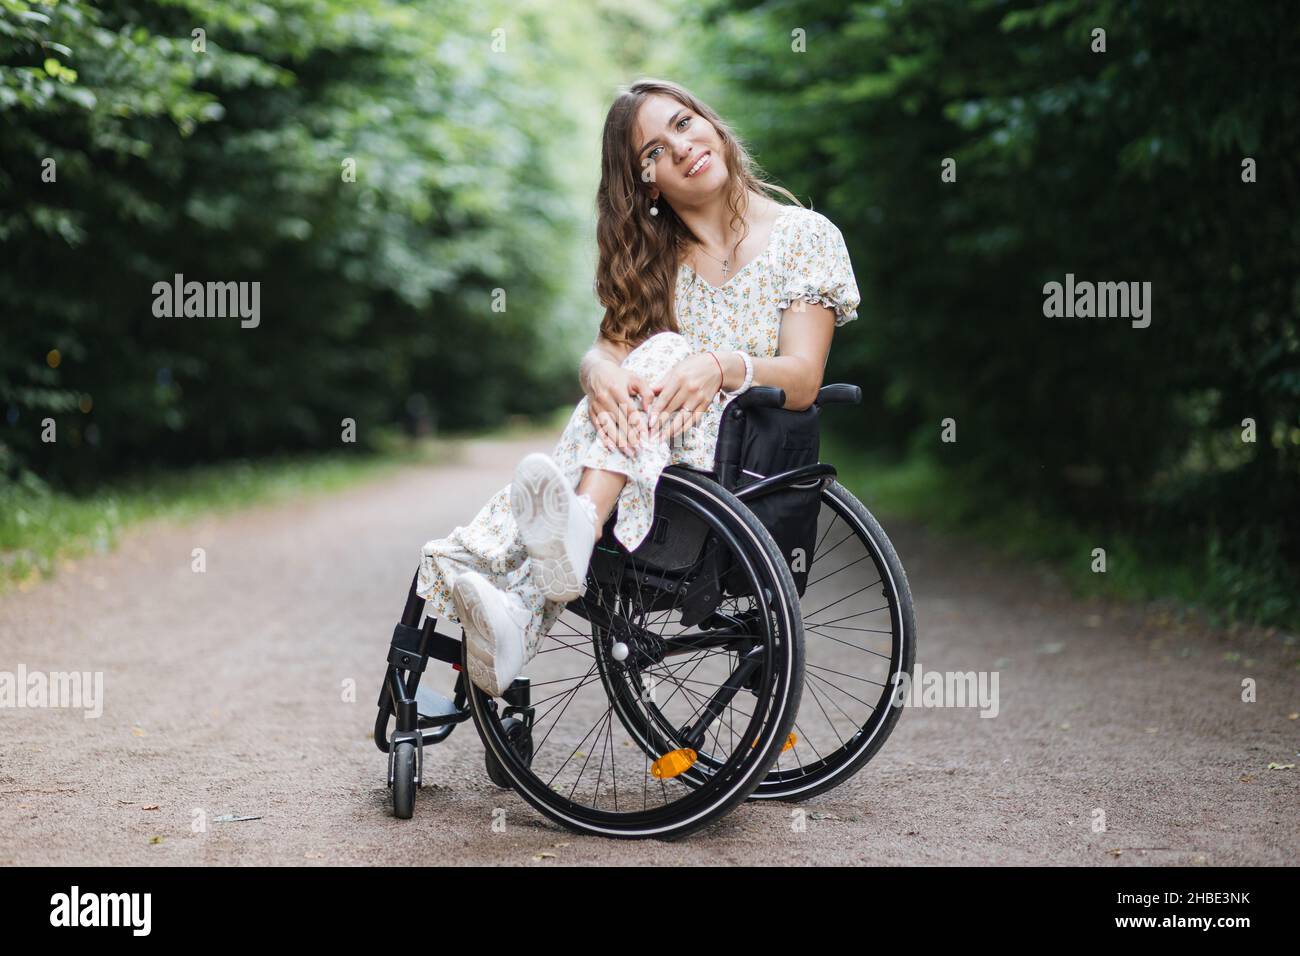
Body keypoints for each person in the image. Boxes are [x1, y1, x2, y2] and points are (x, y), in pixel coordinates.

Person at [416, 78, 861, 697]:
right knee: (637, 363)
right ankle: (532, 593)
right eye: (653, 150)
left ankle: (563, 546)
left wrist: (720, 365)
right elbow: (613, 346)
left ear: (710, 122)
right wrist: (596, 369)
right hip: (645, 455)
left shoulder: (805, 236)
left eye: (682, 124)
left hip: (733, 462)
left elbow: (804, 378)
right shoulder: (658, 260)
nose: (679, 148)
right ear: (647, 180)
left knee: (668, 351)